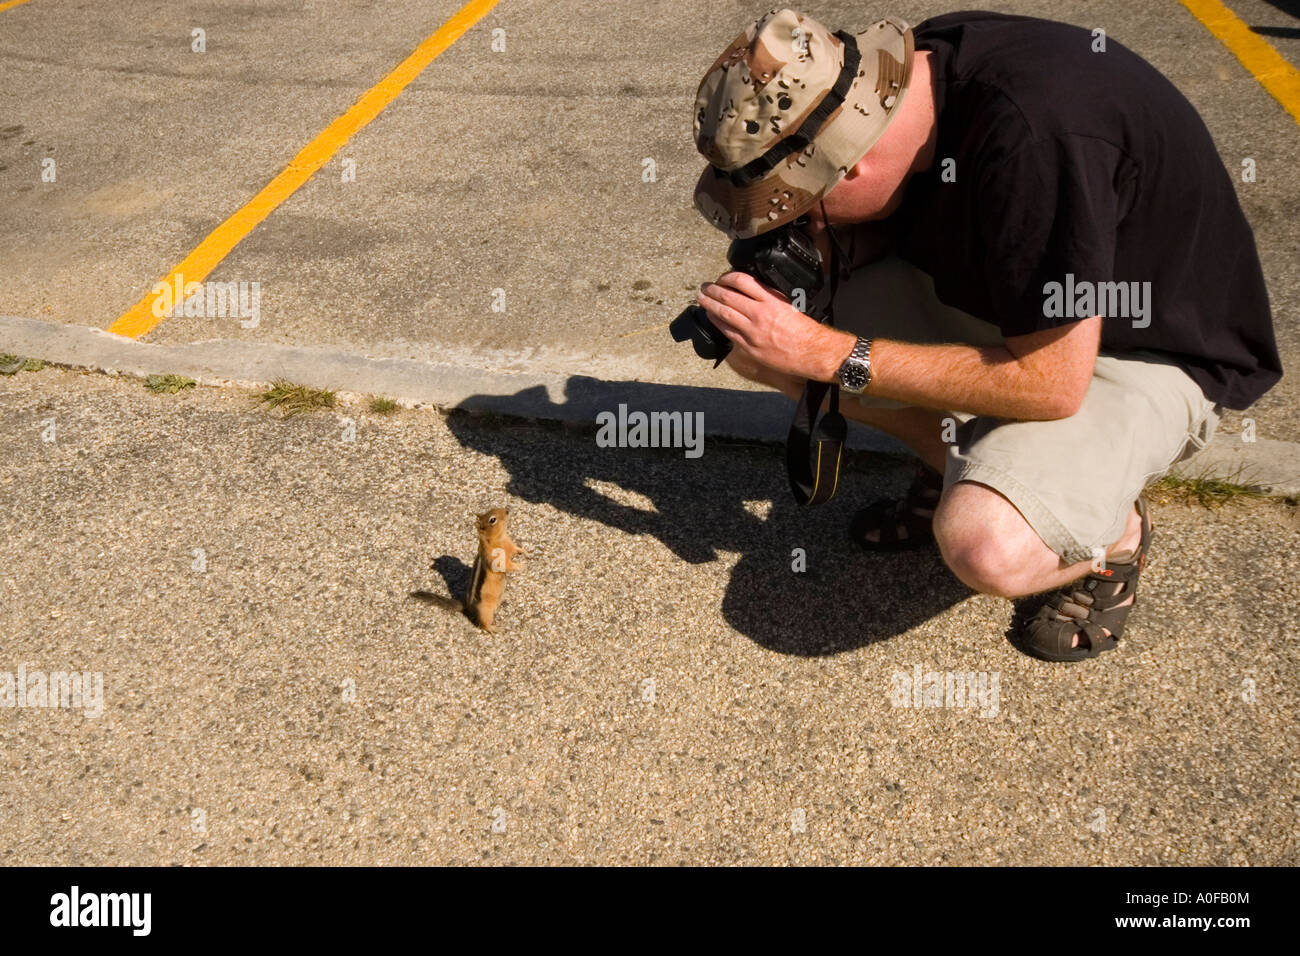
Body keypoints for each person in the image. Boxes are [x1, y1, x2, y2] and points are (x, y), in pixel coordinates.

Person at [691, 9, 1281, 661]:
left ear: (850, 168)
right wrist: (791, 280)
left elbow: (1052, 386)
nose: (791, 225)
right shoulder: (911, 77)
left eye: (794, 207)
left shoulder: (1039, 136)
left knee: (986, 544)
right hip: (1016, 311)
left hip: (1140, 350)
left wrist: (829, 352)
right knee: (760, 342)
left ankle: (1114, 534)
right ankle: (961, 461)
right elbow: (909, 218)